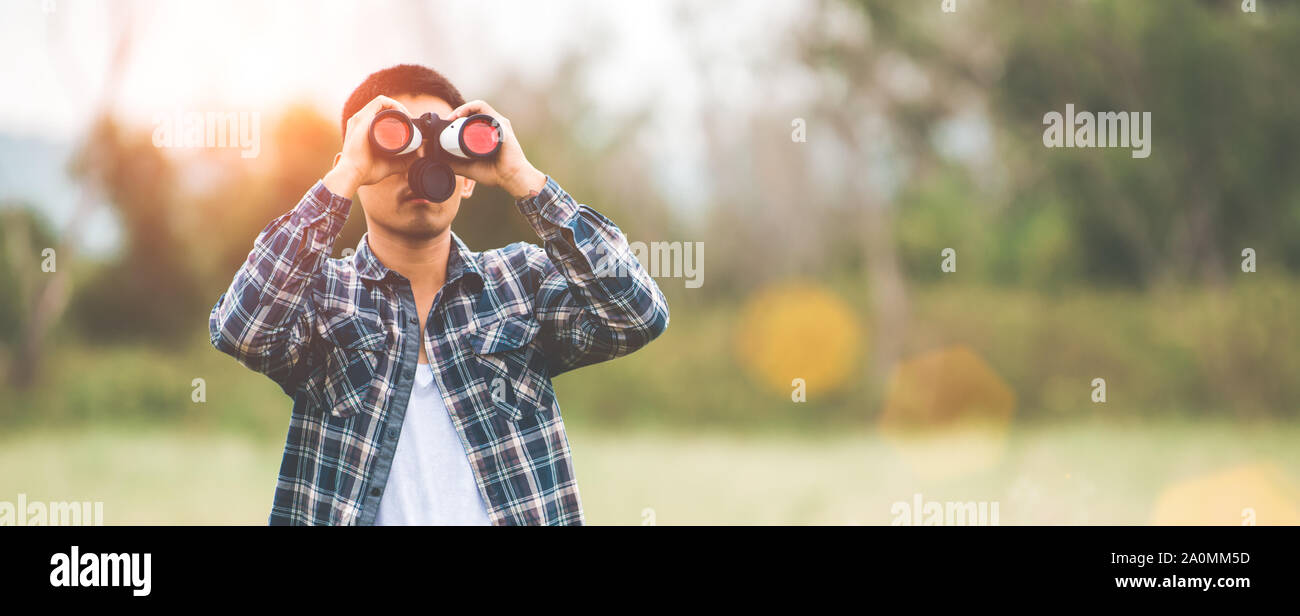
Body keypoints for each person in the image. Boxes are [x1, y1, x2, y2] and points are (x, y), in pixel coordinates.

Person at [208, 64, 669, 525]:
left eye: (441, 148)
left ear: (466, 178)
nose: (420, 168)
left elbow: (638, 314)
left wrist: (522, 177)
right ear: (356, 166)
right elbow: (242, 328)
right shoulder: (324, 297)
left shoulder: (520, 284)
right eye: (394, 142)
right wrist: (346, 173)